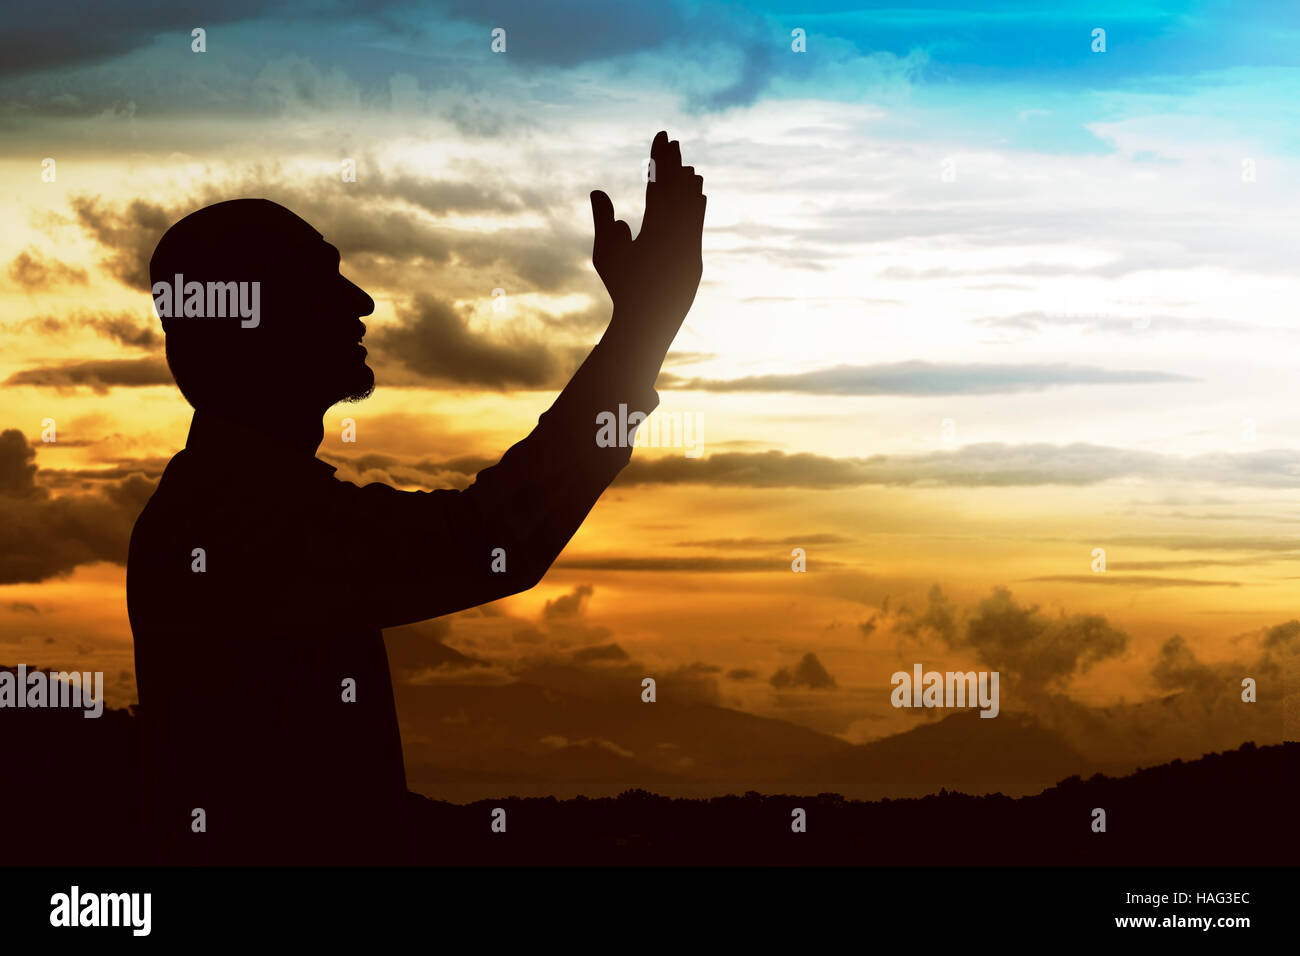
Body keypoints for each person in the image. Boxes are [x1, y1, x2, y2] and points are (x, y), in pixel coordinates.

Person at [127, 131, 706, 864]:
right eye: (321, 281)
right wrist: (644, 328)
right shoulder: (237, 522)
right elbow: (494, 537)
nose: (361, 302)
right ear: (255, 320)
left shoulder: (233, 507)